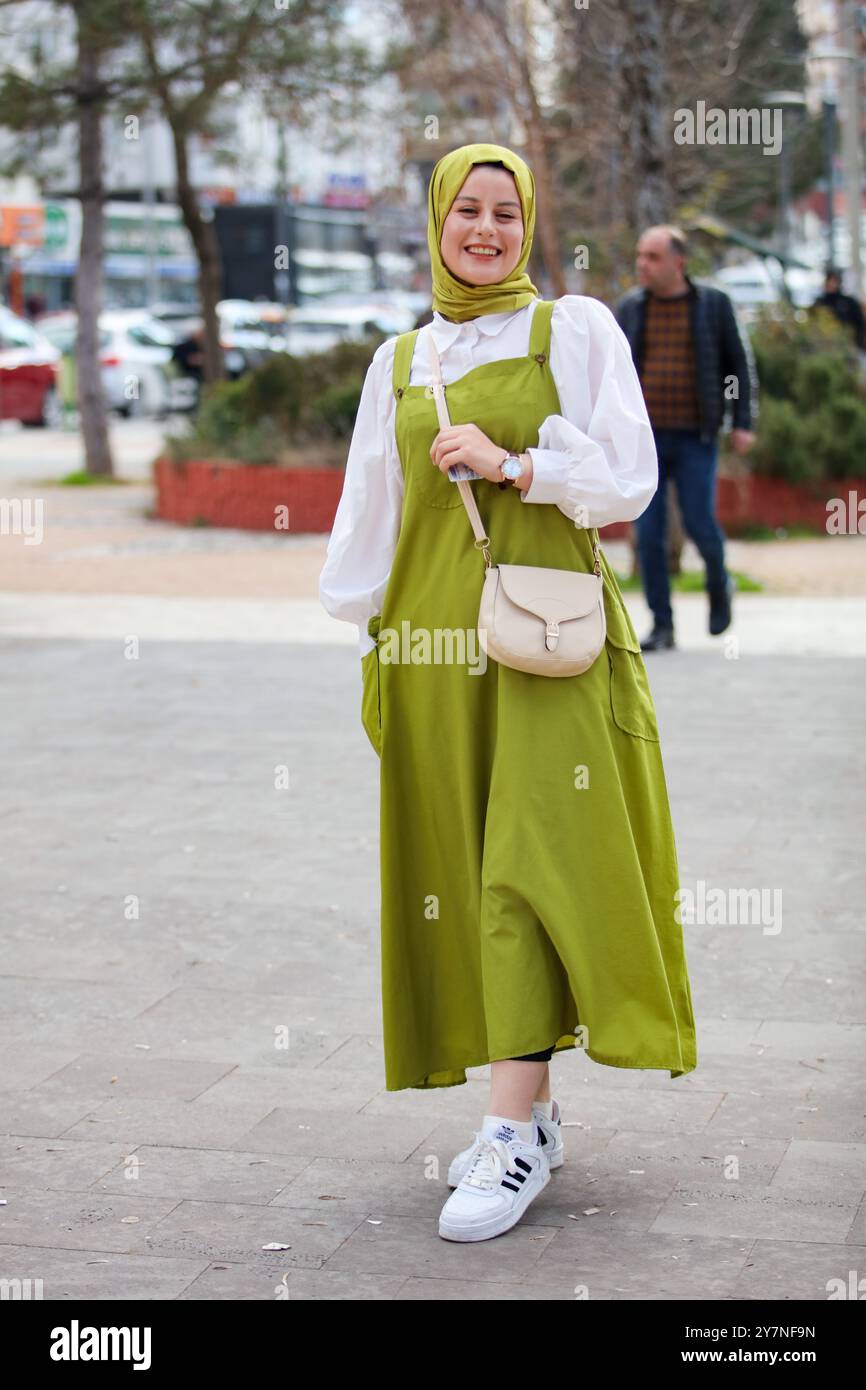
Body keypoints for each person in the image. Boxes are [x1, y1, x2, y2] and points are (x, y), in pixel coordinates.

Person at [318, 144, 697, 1243]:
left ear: (528, 223)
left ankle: (514, 1134)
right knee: (458, 869)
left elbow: (627, 478)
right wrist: (372, 650)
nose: (483, 229)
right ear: (436, 222)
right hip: (430, 649)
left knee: (526, 871)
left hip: (544, 643)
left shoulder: (570, 331)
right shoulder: (399, 357)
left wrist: (515, 465)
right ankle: (523, 1107)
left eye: (503, 211)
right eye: (465, 210)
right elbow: (367, 517)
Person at [614, 226, 757, 651]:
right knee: (649, 532)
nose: (643, 263)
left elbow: (737, 366)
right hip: (646, 440)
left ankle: (719, 581)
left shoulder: (713, 305)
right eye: (640, 254)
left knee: (700, 523)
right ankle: (663, 625)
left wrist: (743, 421)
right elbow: (612, 369)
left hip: (697, 436)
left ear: (679, 262)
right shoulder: (631, 308)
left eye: (653, 256)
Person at [812, 267, 866, 351]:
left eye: (834, 281)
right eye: (829, 280)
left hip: (850, 344)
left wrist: (858, 341)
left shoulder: (849, 302)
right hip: (825, 345)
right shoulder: (819, 303)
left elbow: (860, 323)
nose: (831, 284)